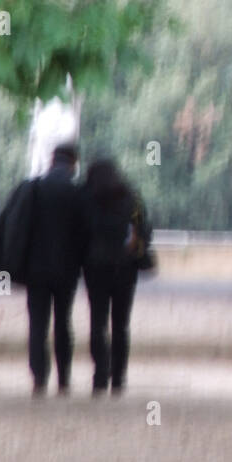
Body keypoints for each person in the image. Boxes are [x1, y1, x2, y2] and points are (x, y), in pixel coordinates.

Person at [82, 158, 152, 395]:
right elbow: (145, 230)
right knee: (121, 325)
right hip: (125, 269)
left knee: (97, 323)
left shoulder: (86, 198)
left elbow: (78, 232)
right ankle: (119, 379)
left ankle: (100, 375)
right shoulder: (132, 198)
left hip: (95, 268)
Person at [24, 142, 89, 397]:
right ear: (73, 163)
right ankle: (63, 380)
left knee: (37, 325)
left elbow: (22, 229)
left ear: (52, 161)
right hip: (66, 270)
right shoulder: (78, 193)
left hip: (36, 270)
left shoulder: (34, 189)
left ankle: (39, 379)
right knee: (63, 323)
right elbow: (85, 233)